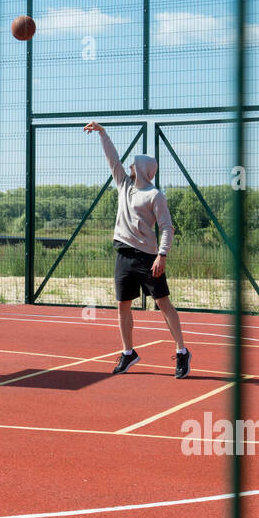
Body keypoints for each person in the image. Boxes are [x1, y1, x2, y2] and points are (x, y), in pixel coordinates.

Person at [83, 121, 190, 378]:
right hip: (123, 254)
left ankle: (183, 351)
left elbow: (167, 228)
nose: (129, 166)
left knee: (162, 303)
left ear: (142, 169)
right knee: (122, 305)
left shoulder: (155, 196)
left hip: (147, 258)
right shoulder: (124, 186)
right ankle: (129, 352)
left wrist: (161, 255)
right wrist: (103, 133)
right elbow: (113, 160)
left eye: (133, 164)